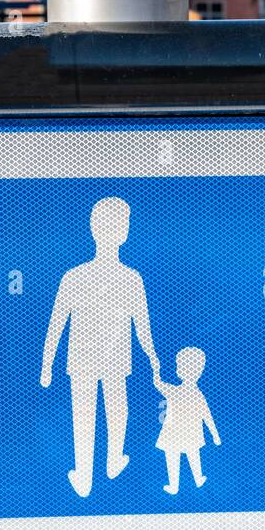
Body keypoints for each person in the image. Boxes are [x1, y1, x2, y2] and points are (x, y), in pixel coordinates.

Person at [41, 198, 160, 497]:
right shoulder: (130, 278)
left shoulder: (76, 276)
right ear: (123, 232)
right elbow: (142, 328)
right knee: (115, 411)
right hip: (108, 359)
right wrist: (153, 358)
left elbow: (56, 324)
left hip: (89, 359)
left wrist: (47, 366)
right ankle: (111, 461)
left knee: (89, 415)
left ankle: (86, 473)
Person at [153, 347, 220, 495]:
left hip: (173, 433)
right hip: (191, 432)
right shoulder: (198, 394)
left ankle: (174, 485)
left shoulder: (175, 391)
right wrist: (215, 435)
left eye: (179, 365)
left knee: (172, 456)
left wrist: (156, 368)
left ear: (181, 370)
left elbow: (157, 383)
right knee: (193, 453)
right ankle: (198, 478)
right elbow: (207, 416)